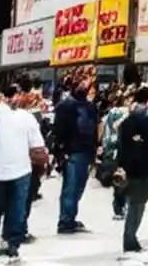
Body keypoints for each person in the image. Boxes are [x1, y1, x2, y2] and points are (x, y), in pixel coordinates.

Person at [0, 82, 46, 264]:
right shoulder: (24, 118)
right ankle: (11, 242)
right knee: (16, 207)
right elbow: (37, 147)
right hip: (17, 171)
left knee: (1, 205)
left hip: (1, 172)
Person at [116, 87, 148, 253]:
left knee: (134, 203)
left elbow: (122, 143)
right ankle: (130, 238)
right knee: (138, 205)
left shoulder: (128, 120)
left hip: (131, 167)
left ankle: (130, 236)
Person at [52, 74, 99, 233]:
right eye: (82, 83)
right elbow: (58, 131)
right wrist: (61, 151)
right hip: (72, 152)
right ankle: (65, 220)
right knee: (71, 187)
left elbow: (94, 129)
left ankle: (69, 217)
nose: (85, 86)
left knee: (78, 186)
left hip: (85, 151)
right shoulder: (66, 106)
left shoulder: (90, 106)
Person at [98, 89, 131, 219]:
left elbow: (106, 134)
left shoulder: (111, 114)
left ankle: (118, 208)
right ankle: (123, 206)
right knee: (126, 179)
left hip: (112, 150)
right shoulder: (127, 113)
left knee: (118, 180)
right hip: (125, 149)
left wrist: (105, 148)